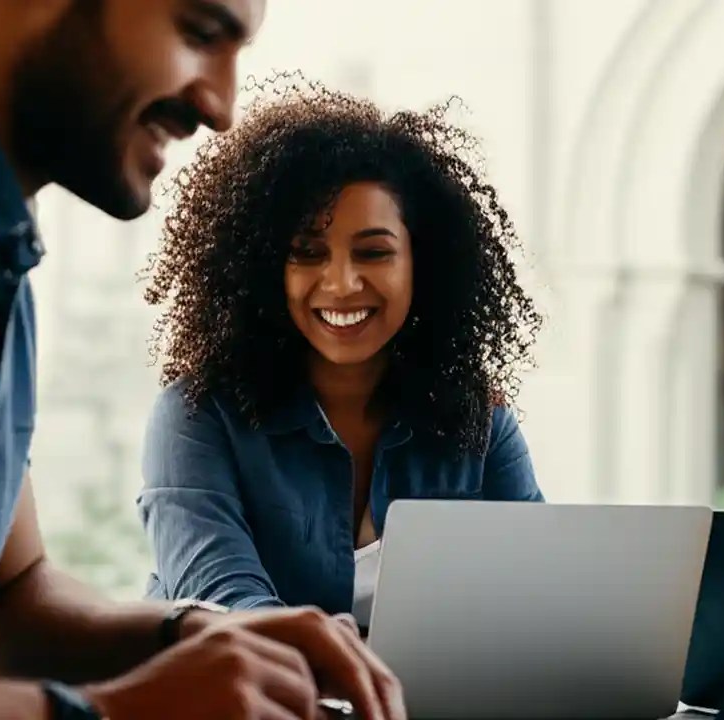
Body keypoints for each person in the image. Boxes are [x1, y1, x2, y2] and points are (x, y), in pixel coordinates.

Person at [0, 2, 404, 719]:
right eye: (199, 33)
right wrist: (114, 713)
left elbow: (2, 603)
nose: (221, 106)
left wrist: (204, 637)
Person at [138, 80, 545, 627]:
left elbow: (538, 590)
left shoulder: (479, 422)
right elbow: (225, 605)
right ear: (264, 269)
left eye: (374, 252)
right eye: (307, 253)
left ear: (422, 264)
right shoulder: (196, 417)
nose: (343, 283)